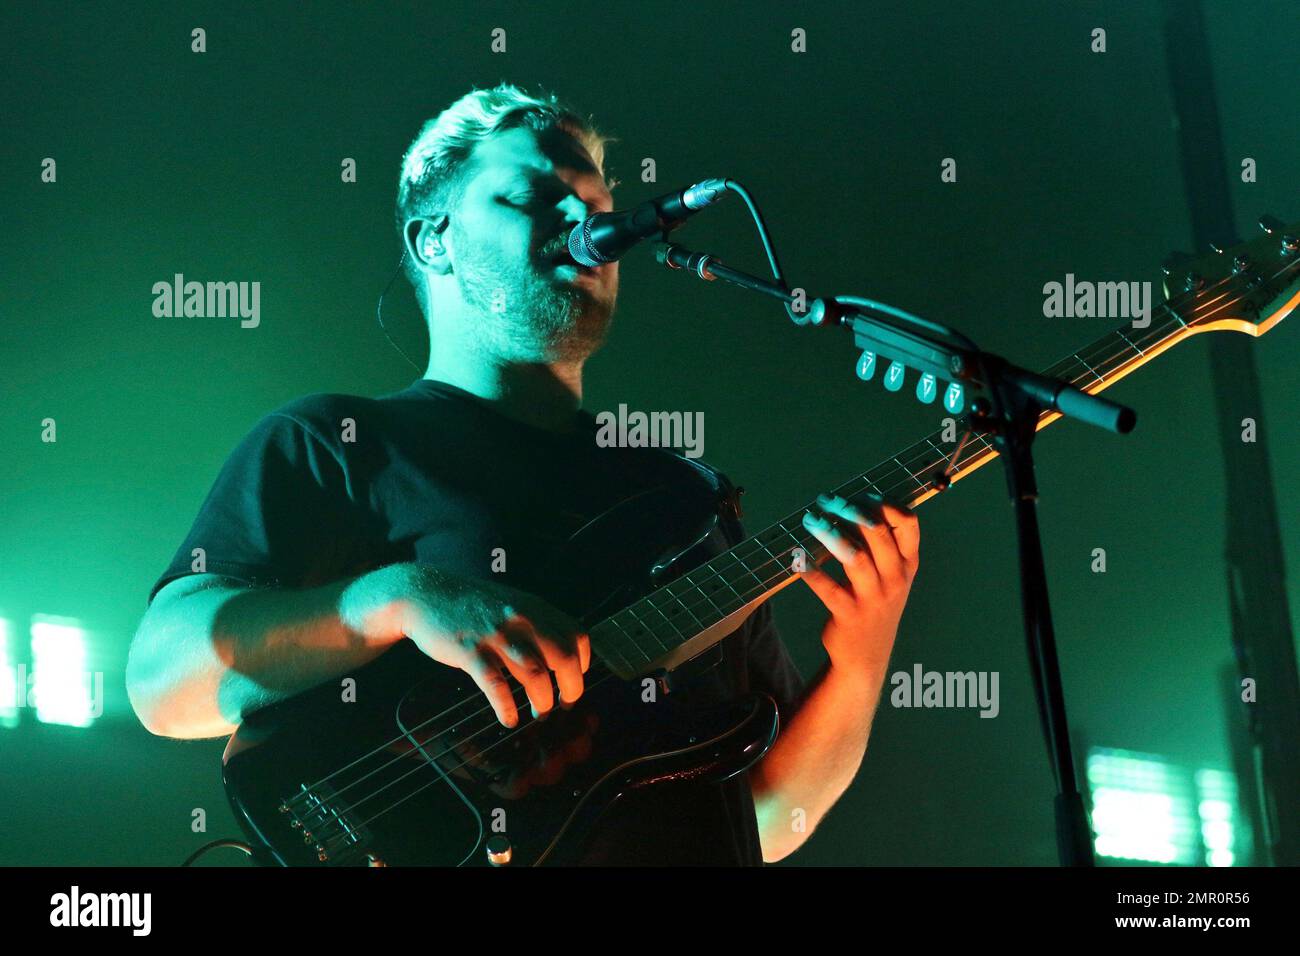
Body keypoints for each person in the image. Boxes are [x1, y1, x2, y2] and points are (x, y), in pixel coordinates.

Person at [126, 83, 921, 865]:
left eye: (598, 200)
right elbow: (164, 685)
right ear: (434, 240)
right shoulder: (337, 440)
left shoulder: (685, 499)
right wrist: (397, 599)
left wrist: (862, 654)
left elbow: (769, 819)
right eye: (538, 194)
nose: (588, 220)